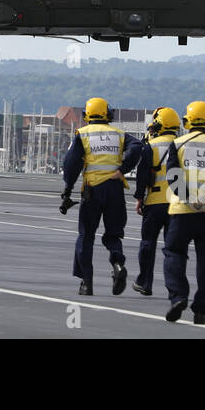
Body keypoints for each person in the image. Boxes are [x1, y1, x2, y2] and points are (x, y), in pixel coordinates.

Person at [60, 97, 145, 296]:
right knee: (113, 234)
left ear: (86, 116)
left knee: (86, 236)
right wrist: (123, 169)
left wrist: (67, 189)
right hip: (115, 189)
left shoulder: (82, 134)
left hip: (92, 190)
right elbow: (138, 148)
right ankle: (117, 263)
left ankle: (86, 282)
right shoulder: (119, 134)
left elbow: (71, 164)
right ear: (108, 114)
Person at [162, 100, 205, 325]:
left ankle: (178, 297)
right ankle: (201, 311)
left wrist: (187, 197)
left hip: (181, 211)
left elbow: (173, 174)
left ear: (187, 121)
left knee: (174, 253)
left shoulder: (178, 143)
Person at [132, 106, 182, 295]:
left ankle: (144, 282)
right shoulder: (182, 144)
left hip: (154, 202)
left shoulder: (150, 146)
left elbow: (142, 175)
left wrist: (139, 198)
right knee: (173, 249)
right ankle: (174, 289)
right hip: (177, 205)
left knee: (148, 243)